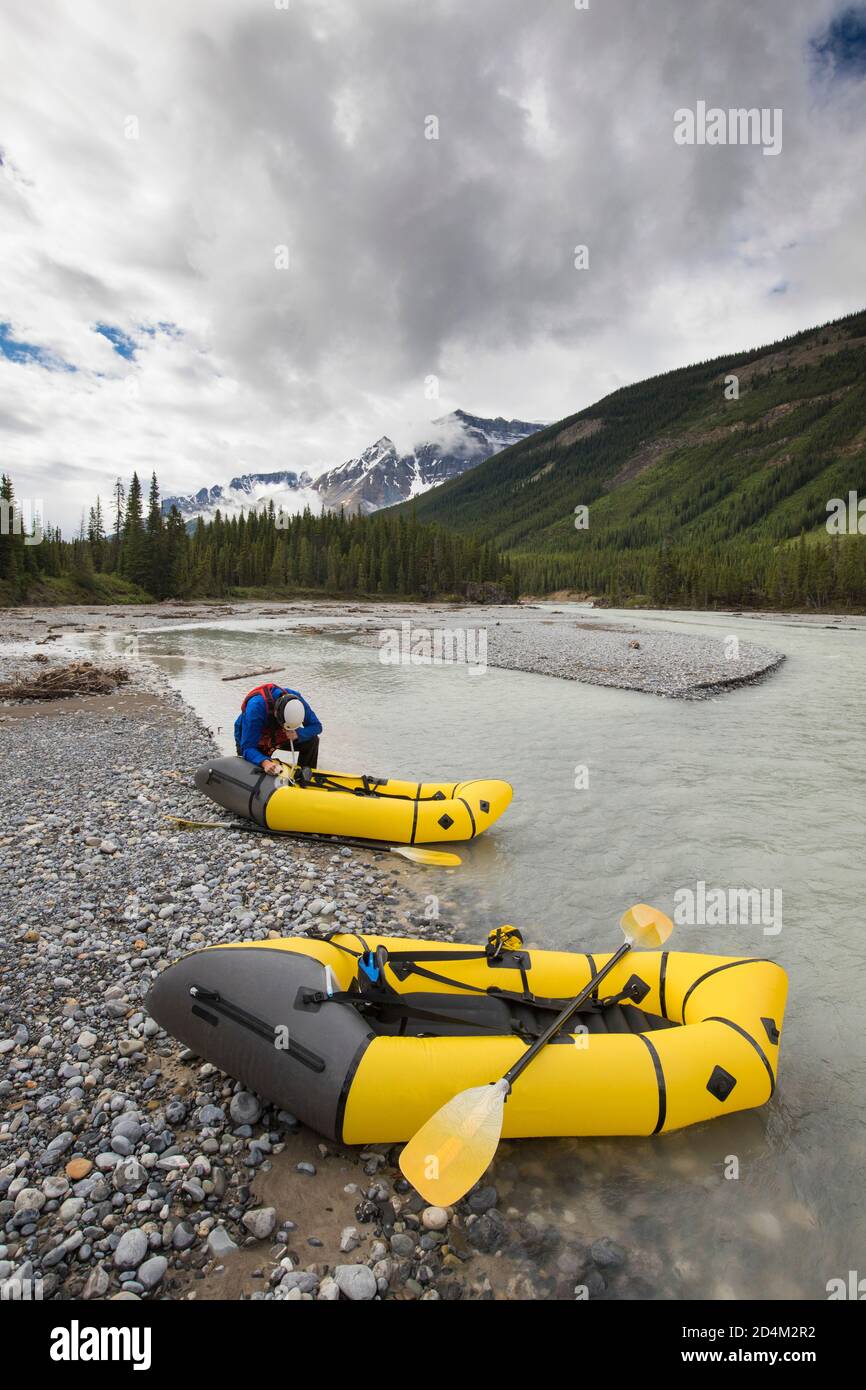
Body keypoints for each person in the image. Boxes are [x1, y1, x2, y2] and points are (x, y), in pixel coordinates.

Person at [234, 682, 322, 774]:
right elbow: (248, 748)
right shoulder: (256, 708)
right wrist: (265, 762)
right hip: (255, 736)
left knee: (312, 741)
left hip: (278, 734)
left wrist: (298, 733)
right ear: (276, 713)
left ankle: (306, 774)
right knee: (254, 770)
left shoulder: (297, 701)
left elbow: (317, 726)